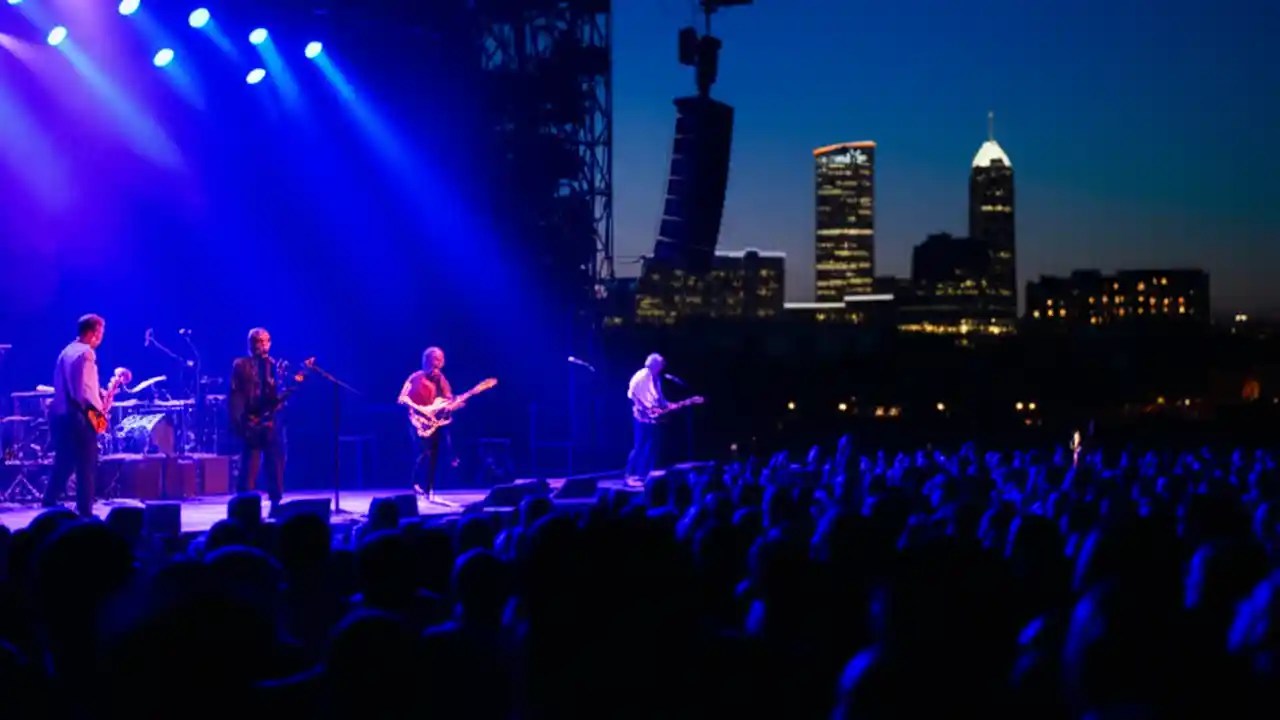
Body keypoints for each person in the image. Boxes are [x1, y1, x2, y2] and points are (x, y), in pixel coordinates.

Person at [45, 314, 108, 516]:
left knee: (64, 461)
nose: (101, 338)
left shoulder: (66, 351)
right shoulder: (86, 353)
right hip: (80, 416)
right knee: (86, 464)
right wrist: (99, 416)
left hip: (62, 415)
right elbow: (83, 393)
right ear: (92, 333)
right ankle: (85, 510)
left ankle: (48, 499)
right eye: (100, 333)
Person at [229, 327, 286, 514]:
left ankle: (276, 502)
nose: (261, 345)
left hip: (270, 420)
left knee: (275, 461)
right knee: (249, 464)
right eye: (257, 341)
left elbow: (280, 392)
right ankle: (245, 505)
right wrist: (241, 421)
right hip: (250, 419)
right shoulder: (241, 365)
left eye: (264, 341)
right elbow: (235, 395)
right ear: (250, 344)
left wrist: (298, 380)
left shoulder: (273, 366)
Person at [398, 346, 460, 504]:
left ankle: (429, 488)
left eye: (441, 361)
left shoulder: (441, 380)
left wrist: (452, 405)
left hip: (432, 423)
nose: (439, 364)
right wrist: (422, 410)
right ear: (426, 361)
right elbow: (402, 399)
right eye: (436, 360)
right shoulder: (415, 377)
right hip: (416, 421)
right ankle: (415, 484)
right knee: (423, 453)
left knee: (434, 454)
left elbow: (448, 399)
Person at [625, 353, 668, 486]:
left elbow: (659, 396)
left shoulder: (656, 378)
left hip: (651, 417)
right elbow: (632, 394)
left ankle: (645, 473)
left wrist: (665, 405)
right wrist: (642, 408)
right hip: (641, 416)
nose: (661, 368)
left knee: (651, 445)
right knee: (639, 445)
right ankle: (629, 473)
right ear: (653, 364)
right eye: (659, 365)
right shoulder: (641, 376)